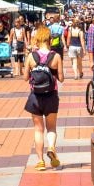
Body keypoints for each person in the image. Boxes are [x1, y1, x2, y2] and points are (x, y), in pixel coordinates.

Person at [25, 25, 64, 171]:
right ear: (50, 39)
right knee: (51, 127)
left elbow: (24, 77)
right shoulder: (56, 56)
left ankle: (40, 161)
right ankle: (52, 147)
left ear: (37, 39)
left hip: (35, 96)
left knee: (38, 129)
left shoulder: (31, 56)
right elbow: (61, 78)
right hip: (51, 95)